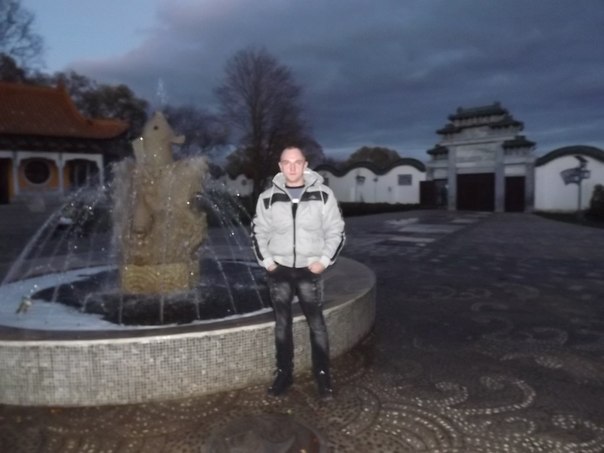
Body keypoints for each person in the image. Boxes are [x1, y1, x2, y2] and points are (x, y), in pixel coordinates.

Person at [251, 146, 345, 399]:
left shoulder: (323, 195)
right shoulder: (268, 197)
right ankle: (284, 374)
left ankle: (323, 376)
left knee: (317, 325)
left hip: (309, 270)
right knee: (282, 324)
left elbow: (336, 231)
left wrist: (323, 261)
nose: (292, 167)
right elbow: (258, 232)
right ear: (280, 166)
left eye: (297, 162)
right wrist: (268, 262)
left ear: (305, 165)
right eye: (287, 162)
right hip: (279, 270)